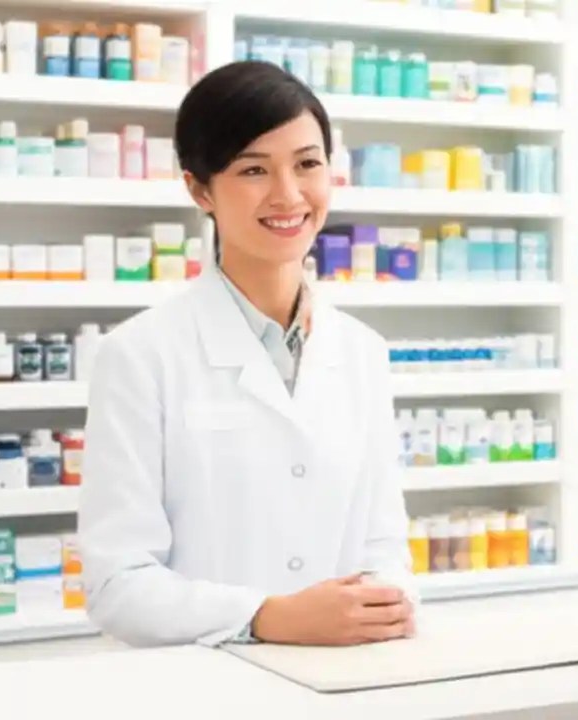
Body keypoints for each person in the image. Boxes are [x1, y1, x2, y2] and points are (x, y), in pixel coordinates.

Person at [78, 61, 416, 648]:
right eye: (253, 169)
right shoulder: (139, 355)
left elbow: (384, 548)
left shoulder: (363, 352)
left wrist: (382, 606)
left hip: (345, 676)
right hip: (202, 684)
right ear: (199, 189)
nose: (288, 195)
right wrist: (267, 617)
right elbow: (118, 584)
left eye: (307, 164)